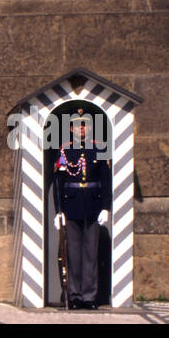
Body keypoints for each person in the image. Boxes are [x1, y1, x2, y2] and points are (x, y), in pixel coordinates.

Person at [54, 109, 110, 309]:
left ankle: (89, 296)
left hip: (93, 207)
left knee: (91, 255)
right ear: (71, 128)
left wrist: (105, 207)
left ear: (90, 127)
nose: (81, 128)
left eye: (85, 125)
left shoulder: (100, 148)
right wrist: (58, 210)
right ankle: (74, 295)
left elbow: (106, 181)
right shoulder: (64, 150)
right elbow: (59, 183)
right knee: (73, 254)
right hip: (71, 207)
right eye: (78, 125)